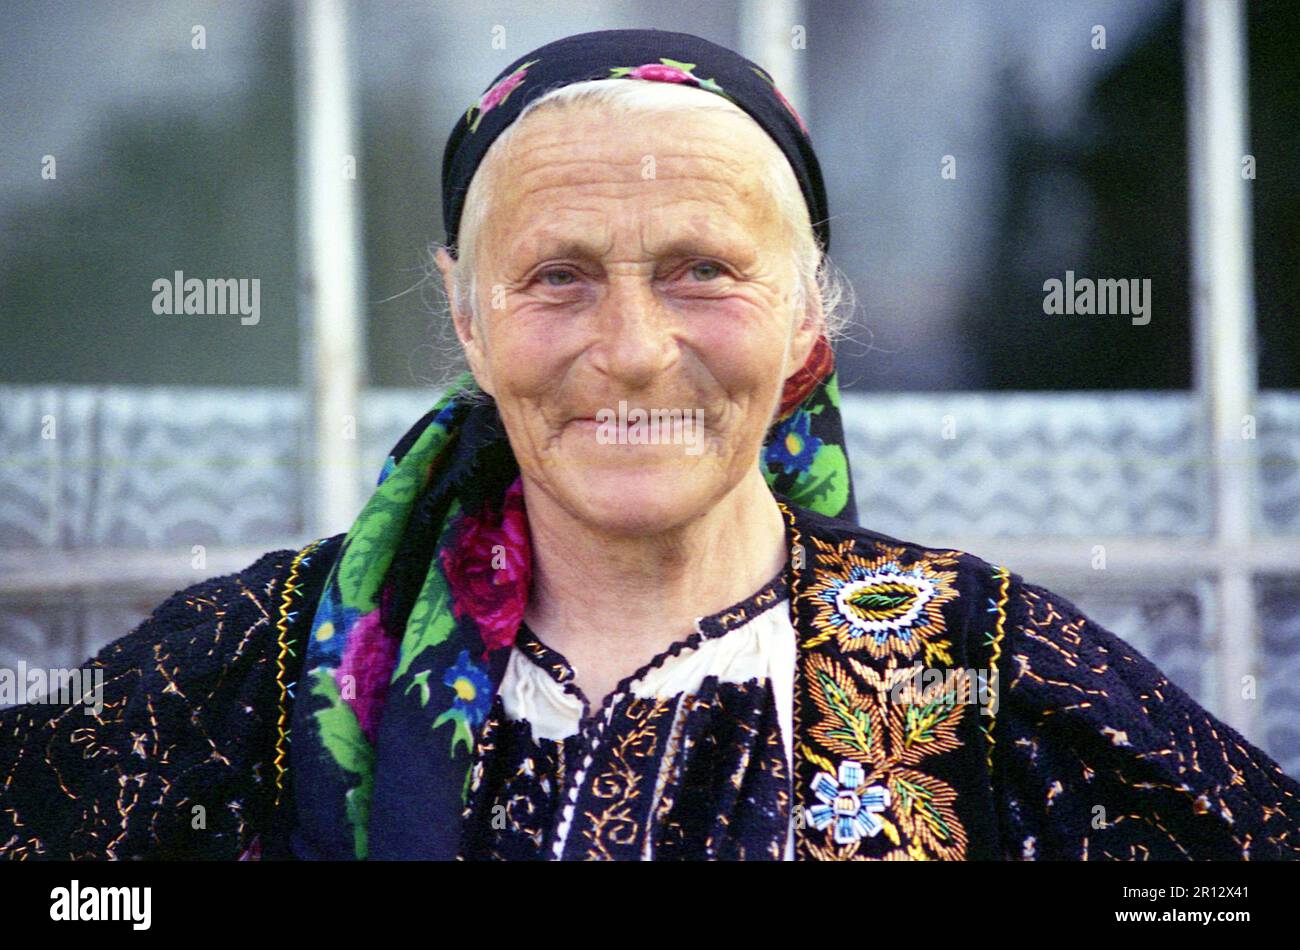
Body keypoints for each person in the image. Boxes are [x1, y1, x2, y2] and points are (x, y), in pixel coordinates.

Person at [2, 28, 1298, 862]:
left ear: (804, 325)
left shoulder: (983, 662)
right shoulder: (271, 657)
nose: (629, 348)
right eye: (557, 276)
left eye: (701, 272)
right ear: (467, 319)